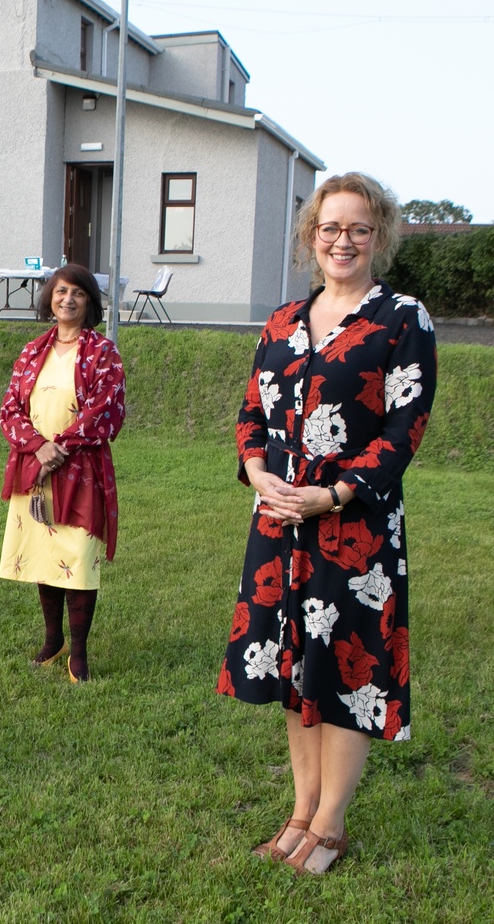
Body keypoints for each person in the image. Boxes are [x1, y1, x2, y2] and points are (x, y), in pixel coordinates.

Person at [218, 172, 435, 875]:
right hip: (279, 525)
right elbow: (253, 413)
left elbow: (405, 428)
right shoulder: (282, 320)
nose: (343, 240)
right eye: (330, 227)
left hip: (354, 529)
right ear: (312, 235)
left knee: (346, 670)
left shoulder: (403, 318)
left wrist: (336, 494)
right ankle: (301, 811)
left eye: (359, 228)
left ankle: (331, 824)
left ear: (380, 236)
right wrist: (255, 471)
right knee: (295, 670)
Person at [0, 263, 125, 683]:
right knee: (44, 556)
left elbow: (106, 409)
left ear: (89, 303)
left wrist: (63, 446)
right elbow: (10, 410)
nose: (67, 299)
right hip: (34, 468)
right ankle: (53, 640)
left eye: (78, 293)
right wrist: (39, 447)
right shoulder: (33, 350)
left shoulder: (103, 352)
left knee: (78, 556)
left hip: (80, 469)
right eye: (61, 291)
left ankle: (80, 652)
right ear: (49, 298)